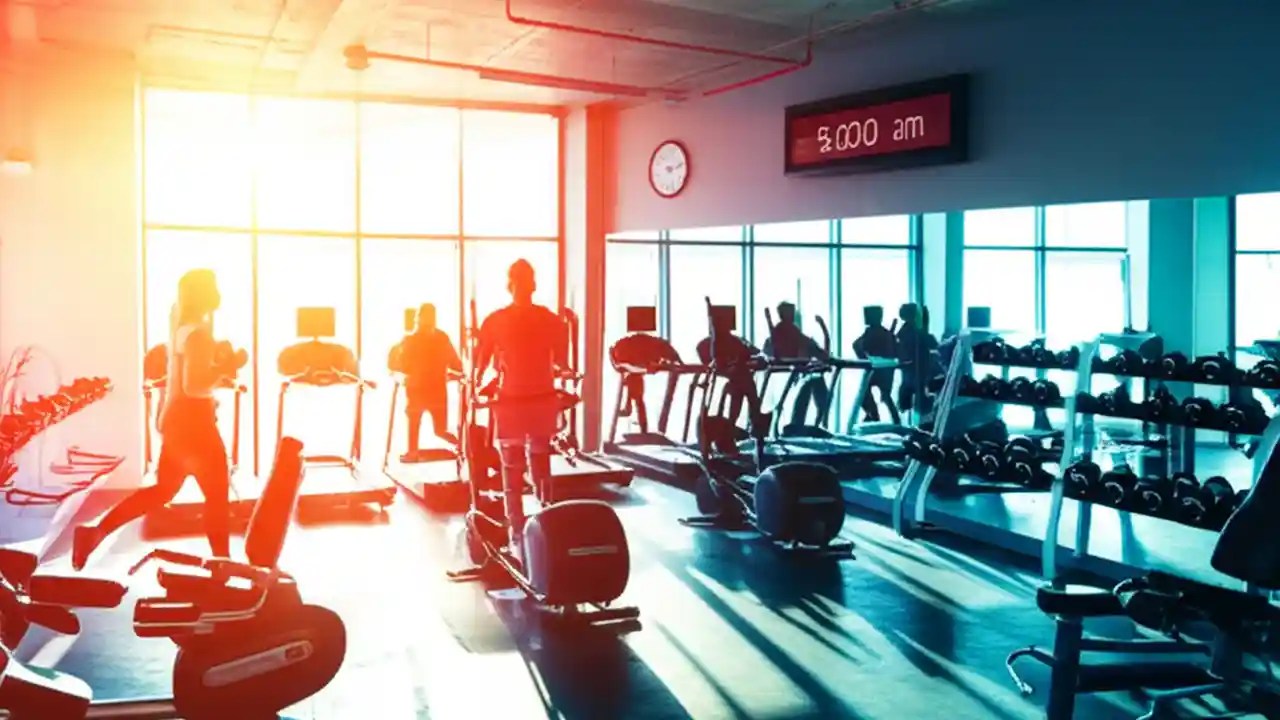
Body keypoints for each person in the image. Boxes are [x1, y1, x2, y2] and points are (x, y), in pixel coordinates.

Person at [73, 269, 232, 569]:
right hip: (195, 424)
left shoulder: (182, 328)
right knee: (217, 496)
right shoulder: (198, 333)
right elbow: (195, 385)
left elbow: (183, 381)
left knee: (164, 491)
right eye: (214, 286)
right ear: (205, 294)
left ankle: (94, 533)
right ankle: (224, 570)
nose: (219, 291)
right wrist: (228, 365)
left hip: (179, 421)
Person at [473, 260, 567, 561]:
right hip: (520, 401)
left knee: (524, 467)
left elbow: (562, 364)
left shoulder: (538, 321)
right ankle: (528, 527)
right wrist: (477, 386)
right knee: (528, 465)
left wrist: (478, 386)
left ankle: (530, 527)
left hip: (529, 400)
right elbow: (480, 366)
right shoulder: (543, 320)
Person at [397, 303, 462, 462]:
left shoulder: (425, 339)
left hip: (427, 388)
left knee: (431, 427)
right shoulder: (416, 339)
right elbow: (455, 362)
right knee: (421, 423)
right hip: (425, 388)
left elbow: (400, 363)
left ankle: (462, 446)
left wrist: (455, 372)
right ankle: (461, 446)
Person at [764, 302, 832, 428]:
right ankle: (811, 423)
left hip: (796, 381)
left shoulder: (797, 339)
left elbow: (824, 356)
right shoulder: (779, 340)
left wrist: (824, 329)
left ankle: (819, 423)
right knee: (813, 382)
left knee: (815, 381)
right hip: (786, 386)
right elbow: (823, 355)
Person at [696, 307, 762, 431]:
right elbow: (713, 363)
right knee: (741, 386)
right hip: (727, 381)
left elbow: (753, 353)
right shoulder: (706, 345)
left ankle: (750, 424)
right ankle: (733, 425)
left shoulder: (737, 342)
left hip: (738, 380)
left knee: (745, 389)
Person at [852, 305, 900, 424]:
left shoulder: (878, 333)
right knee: (881, 396)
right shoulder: (883, 333)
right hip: (881, 369)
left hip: (880, 370)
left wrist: (864, 357)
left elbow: (859, 345)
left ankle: (874, 415)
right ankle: (874, 415)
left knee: (878, 396)